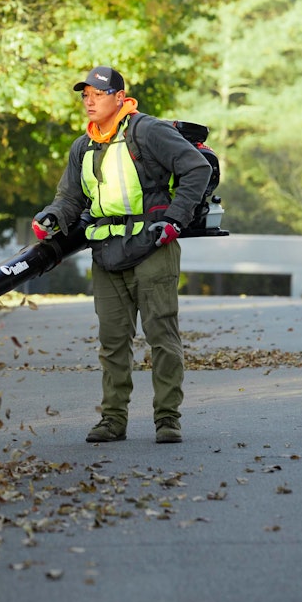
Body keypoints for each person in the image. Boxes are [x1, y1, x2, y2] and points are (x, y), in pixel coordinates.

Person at [32, 66, 210, 444]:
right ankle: (113, 421)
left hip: (153, 246)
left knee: (161, 337)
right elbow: (70, 198)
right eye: (85, 95)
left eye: (97, 93)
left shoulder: (147, 131)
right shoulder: (83, 146)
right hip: (106, 253)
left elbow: (195, 168)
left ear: (119, 96)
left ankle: (167, 420)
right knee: (112, 343)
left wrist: (177, 219)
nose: (90, 100)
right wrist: (52, 216)